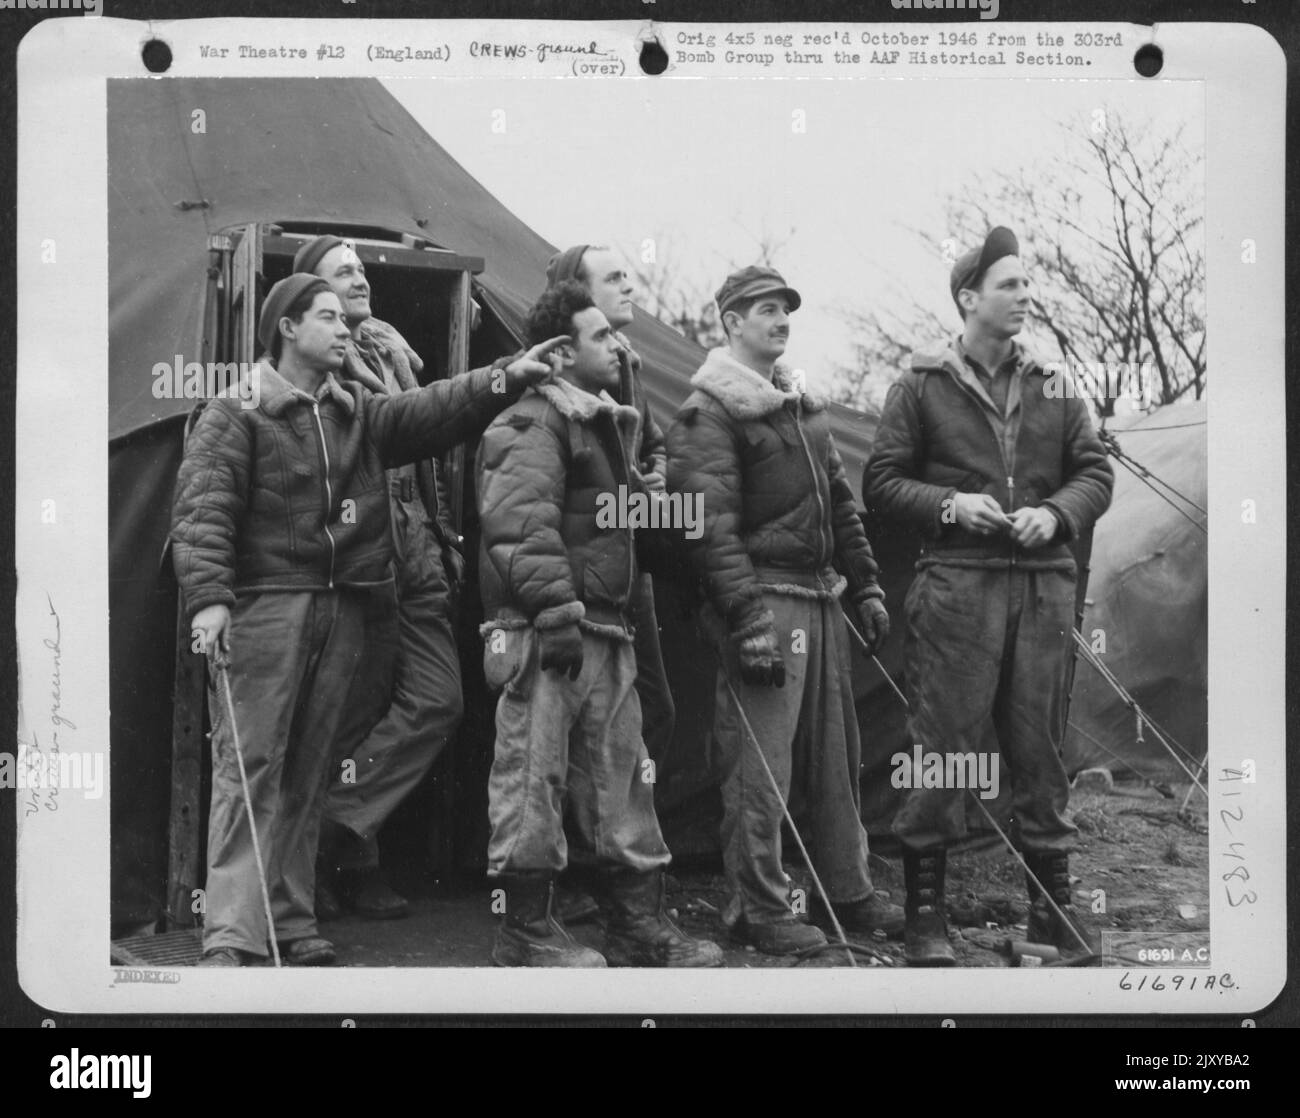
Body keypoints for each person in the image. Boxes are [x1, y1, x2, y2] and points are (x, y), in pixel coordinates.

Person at [173, 273, 553, 967]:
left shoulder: (356, 413)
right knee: (249, 764)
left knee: (310, 770)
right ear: (286, 328)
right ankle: (231, 934)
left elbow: (433, 409)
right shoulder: (237, 409)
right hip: (267, 606)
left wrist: (504, 377)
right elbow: (203, 512)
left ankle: (288, 919)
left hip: (342, 605)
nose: (344, 328)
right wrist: (210, 599)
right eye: (326, 317)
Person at [863, 227, 1114, 966]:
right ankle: (926, 920)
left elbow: (1094, 472)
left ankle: (1051, 916)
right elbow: (881, 482)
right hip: (956, 590)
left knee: (1040, 750)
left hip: (1041, 590)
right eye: (1009, 284)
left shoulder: (1057, 385)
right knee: (942, 750)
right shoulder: (918, 386)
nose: (1025, 295)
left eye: (1026, 284)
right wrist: (949, 505)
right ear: (969, 298)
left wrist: (1057, 513)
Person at [476, 280, 723, 968]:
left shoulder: (605, 427)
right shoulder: (530, 422)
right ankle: (523, 934)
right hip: (546, 633)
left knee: (623, 779)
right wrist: (555, 613)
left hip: (606, 631)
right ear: (558, 354)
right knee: (534, 778)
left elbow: (615, 533)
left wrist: (664, 521)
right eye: (602, 335)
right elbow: (520, 524)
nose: (619, 345)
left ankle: (636, 924)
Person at [666, 265, 902, 956]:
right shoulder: (706, 412)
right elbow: (708, 528)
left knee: (837, 758)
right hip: (765, 599)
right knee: (758, 765)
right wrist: (746, 621)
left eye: (784, 310)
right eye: (763, 309)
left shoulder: (800, 406)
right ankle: (758, 907)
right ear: (730, 322)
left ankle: (847, 892)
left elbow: (842, 502)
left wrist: (868, 585)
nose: (779, 320)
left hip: (822, 595)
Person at [295, 234, 465, 920]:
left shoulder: (394, 354)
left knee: (439, 698)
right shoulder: (316, 368)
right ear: (312, 295)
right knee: (349, 712)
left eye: (361, 269)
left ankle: (329, 825)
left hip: (416, 548)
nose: (359, 278)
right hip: (359, 551)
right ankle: (350, 865)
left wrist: (439, 532)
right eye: (342, 272)